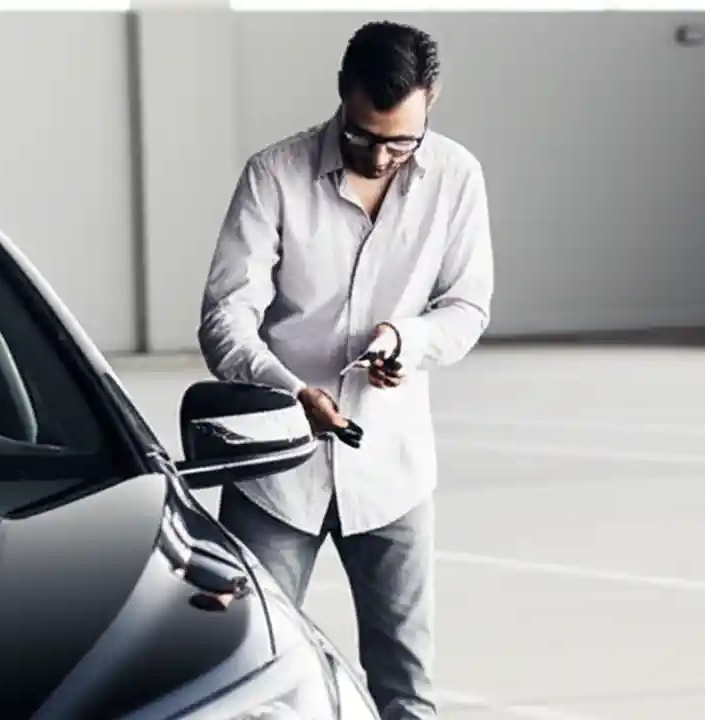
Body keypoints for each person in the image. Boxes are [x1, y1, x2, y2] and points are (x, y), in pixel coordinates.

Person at [197, 20, 494, 720]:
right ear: (341, 93)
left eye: (402, 141)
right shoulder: (273, 174)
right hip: (276, 470)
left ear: (431, 101)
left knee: (406, 690)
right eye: (363, 136)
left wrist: (407, 340)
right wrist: (289, 393)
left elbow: (467, 307)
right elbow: (225, 317)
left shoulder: (457, 177)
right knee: (246, 673)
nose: (382, 155)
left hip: (392, 471)